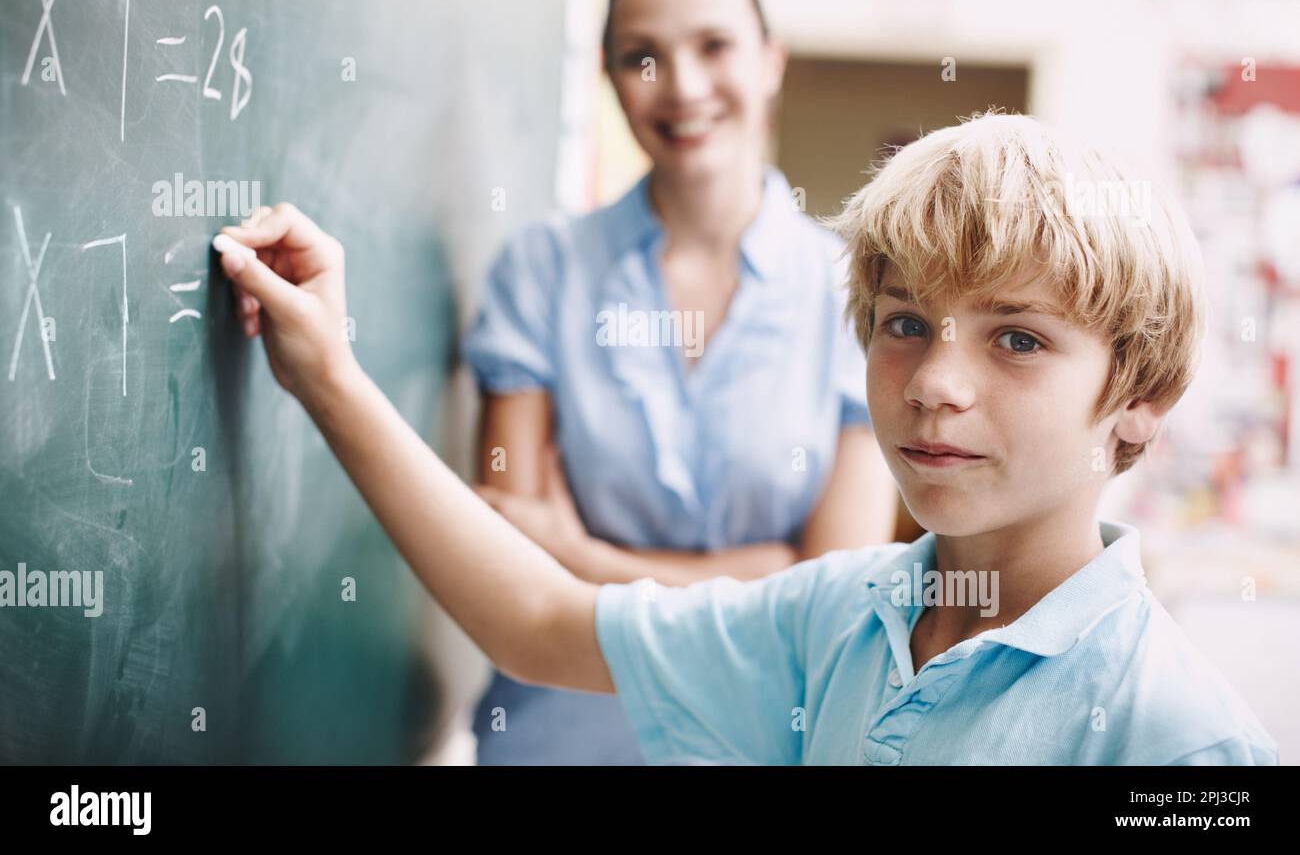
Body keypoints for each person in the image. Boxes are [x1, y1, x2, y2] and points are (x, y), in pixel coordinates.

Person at [211, 110, 1278, 764]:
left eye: (1016, 339)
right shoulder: (842, 619)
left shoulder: (1178, 737)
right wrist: (329, 375)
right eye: (905, 323)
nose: (936, 384)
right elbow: (537, 621)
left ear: (1141, 393)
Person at [458, 0, 896, 763]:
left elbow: (836, 587)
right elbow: (512, 556)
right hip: (559, 733)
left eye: (714, 45)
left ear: (771, 61)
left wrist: (585, 555)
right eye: (643, 57)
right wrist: (761, 568)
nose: (683, 86)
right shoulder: (541, 272)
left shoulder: (857, 290)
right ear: (607, 75)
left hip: (764, 738)